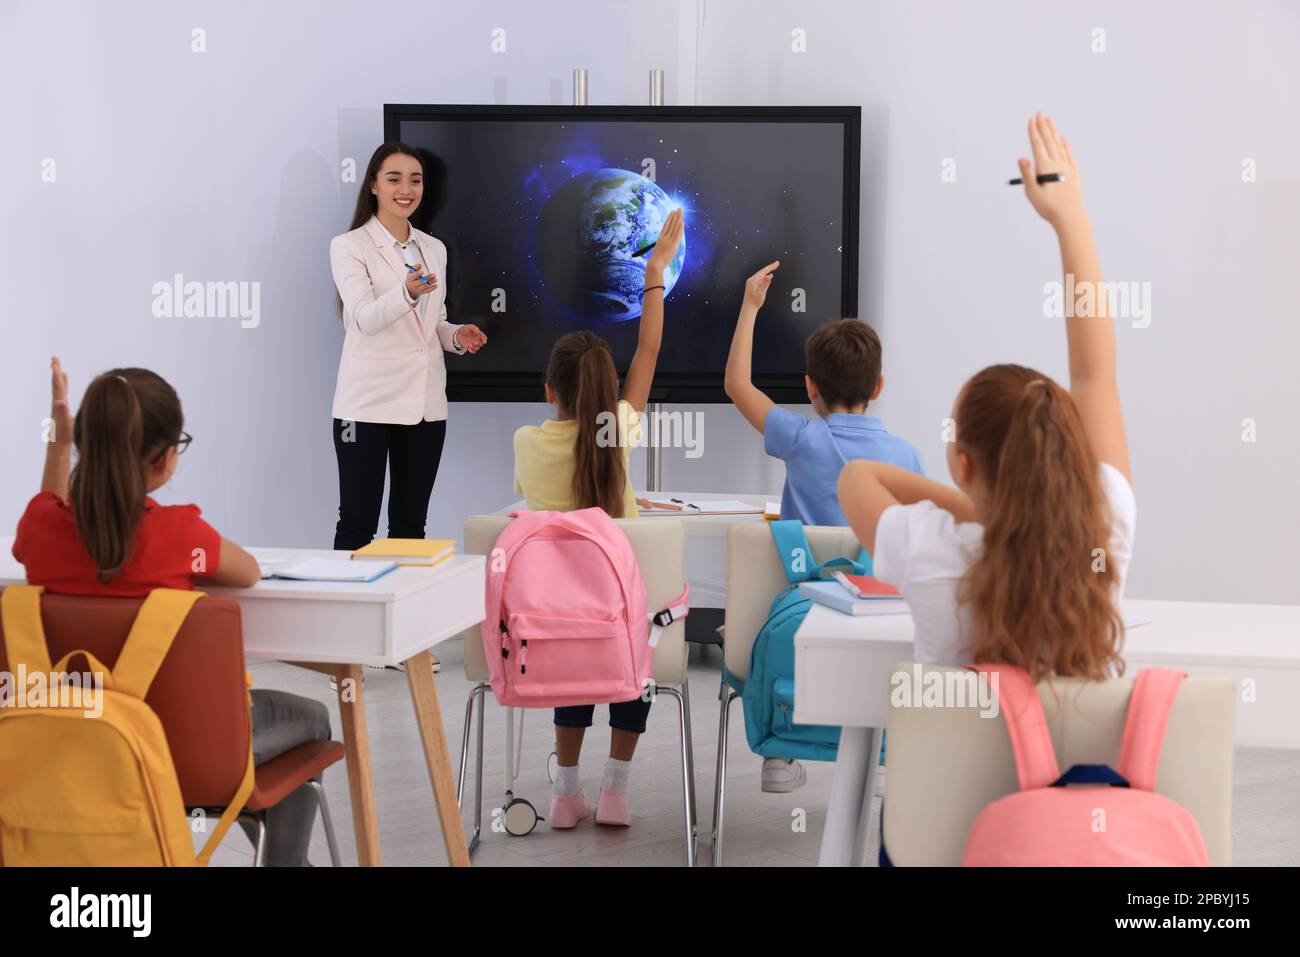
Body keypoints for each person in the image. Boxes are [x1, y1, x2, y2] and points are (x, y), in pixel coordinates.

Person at [837, 114, 1134, 679]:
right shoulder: (1108, 524)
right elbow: (1096, 374)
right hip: (1062, 772)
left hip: (954, 773)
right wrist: (1071, 217)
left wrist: (983, 512)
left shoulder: (930, 551)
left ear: (965, 465)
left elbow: (858, 479)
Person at [13, 359, 333, 865]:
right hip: (182, 750)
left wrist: (58, 440)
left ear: (86, 448)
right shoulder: (183, 535)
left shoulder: (38, 532)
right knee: (314, 718)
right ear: (162, 459)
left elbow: (46, 505)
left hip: (76, 743)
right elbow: (247, 572)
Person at [512, 208, 685, 828]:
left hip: (556, 625)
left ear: (548, 392)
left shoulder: (526, 442)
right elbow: (650, 347)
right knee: (631, 650)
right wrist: (654, 271)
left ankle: (563, 795)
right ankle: (615, 792)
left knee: (580, 652)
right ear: (607, 393)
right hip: (624, 621)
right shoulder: (620, 432)